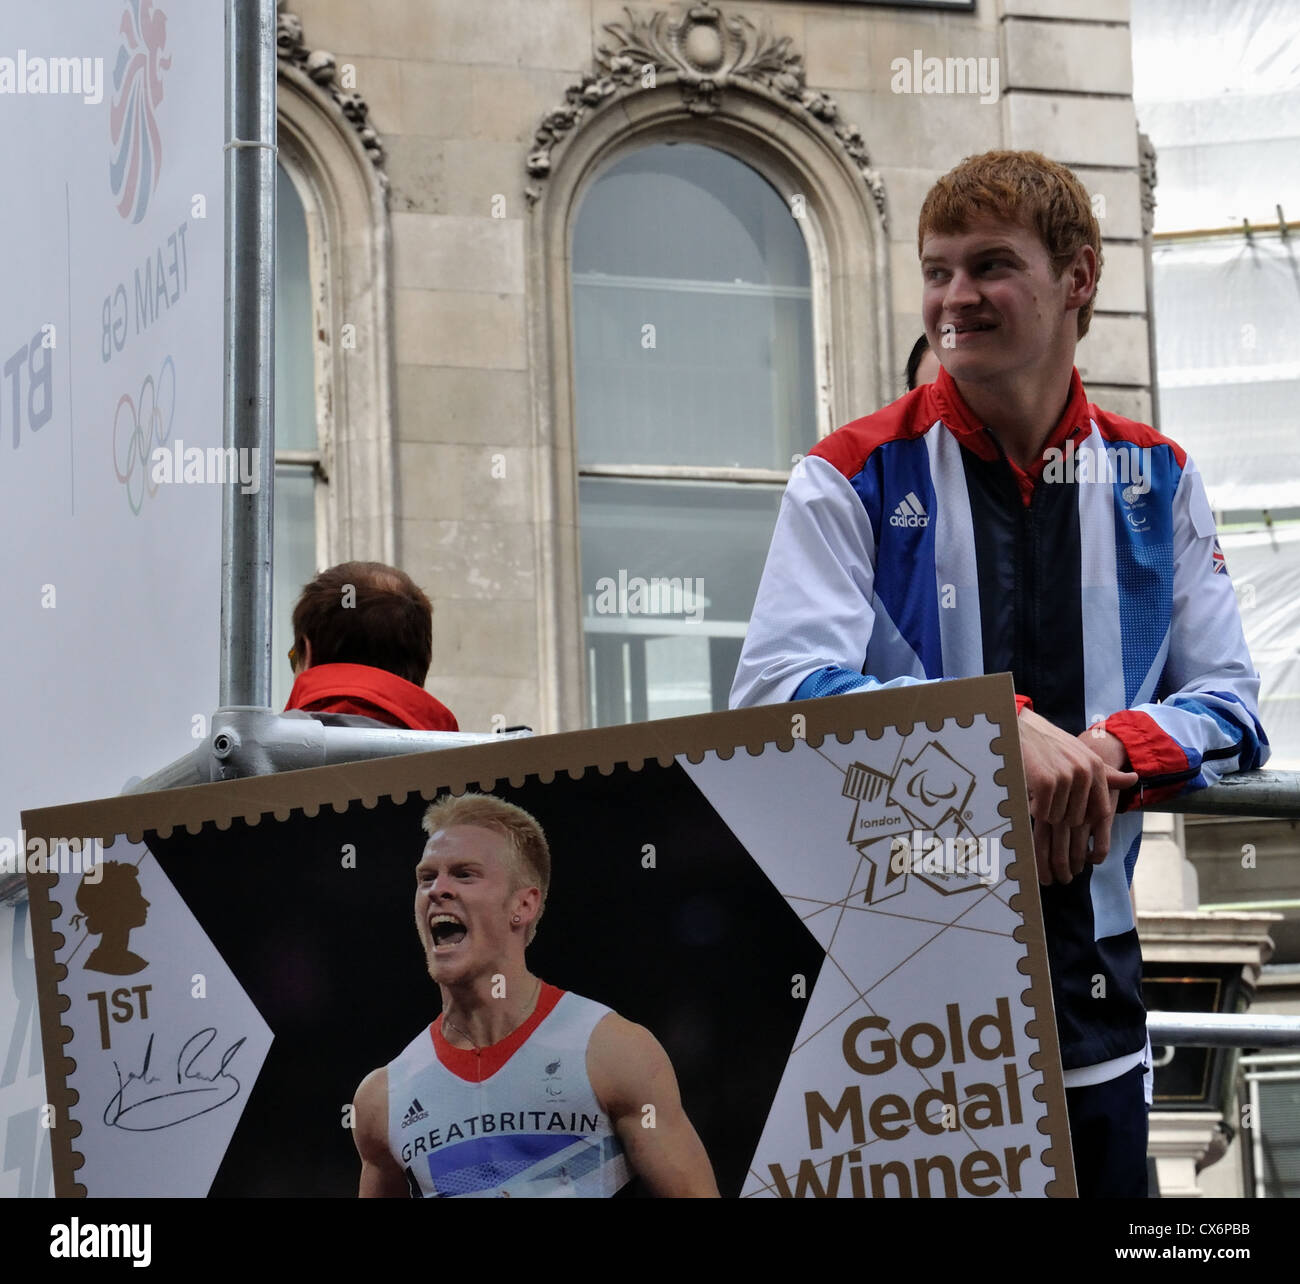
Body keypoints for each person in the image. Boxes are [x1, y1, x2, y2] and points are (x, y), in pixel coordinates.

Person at [730, 150, 1266, 1197]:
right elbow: (777, 694)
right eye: (935, 271)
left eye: (987, 266)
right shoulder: (845, 472)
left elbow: (1234, 710)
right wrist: (986, 729)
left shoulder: (1158, 475)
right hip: (900, 1001)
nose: (953, 297)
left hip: (1095, 989)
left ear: (1079, 277)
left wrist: (1108, 749)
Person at [352, 792, 719, 1198]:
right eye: (426, 878)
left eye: (464, 874)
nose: (437, 890)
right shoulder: (383, 1099)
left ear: (523, 905)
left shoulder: (612, 1052)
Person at [285, 561, 458, 731]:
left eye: (293, 658)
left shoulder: (266, 751)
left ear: (307, 653)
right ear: (422, 667)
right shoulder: (466, 756)